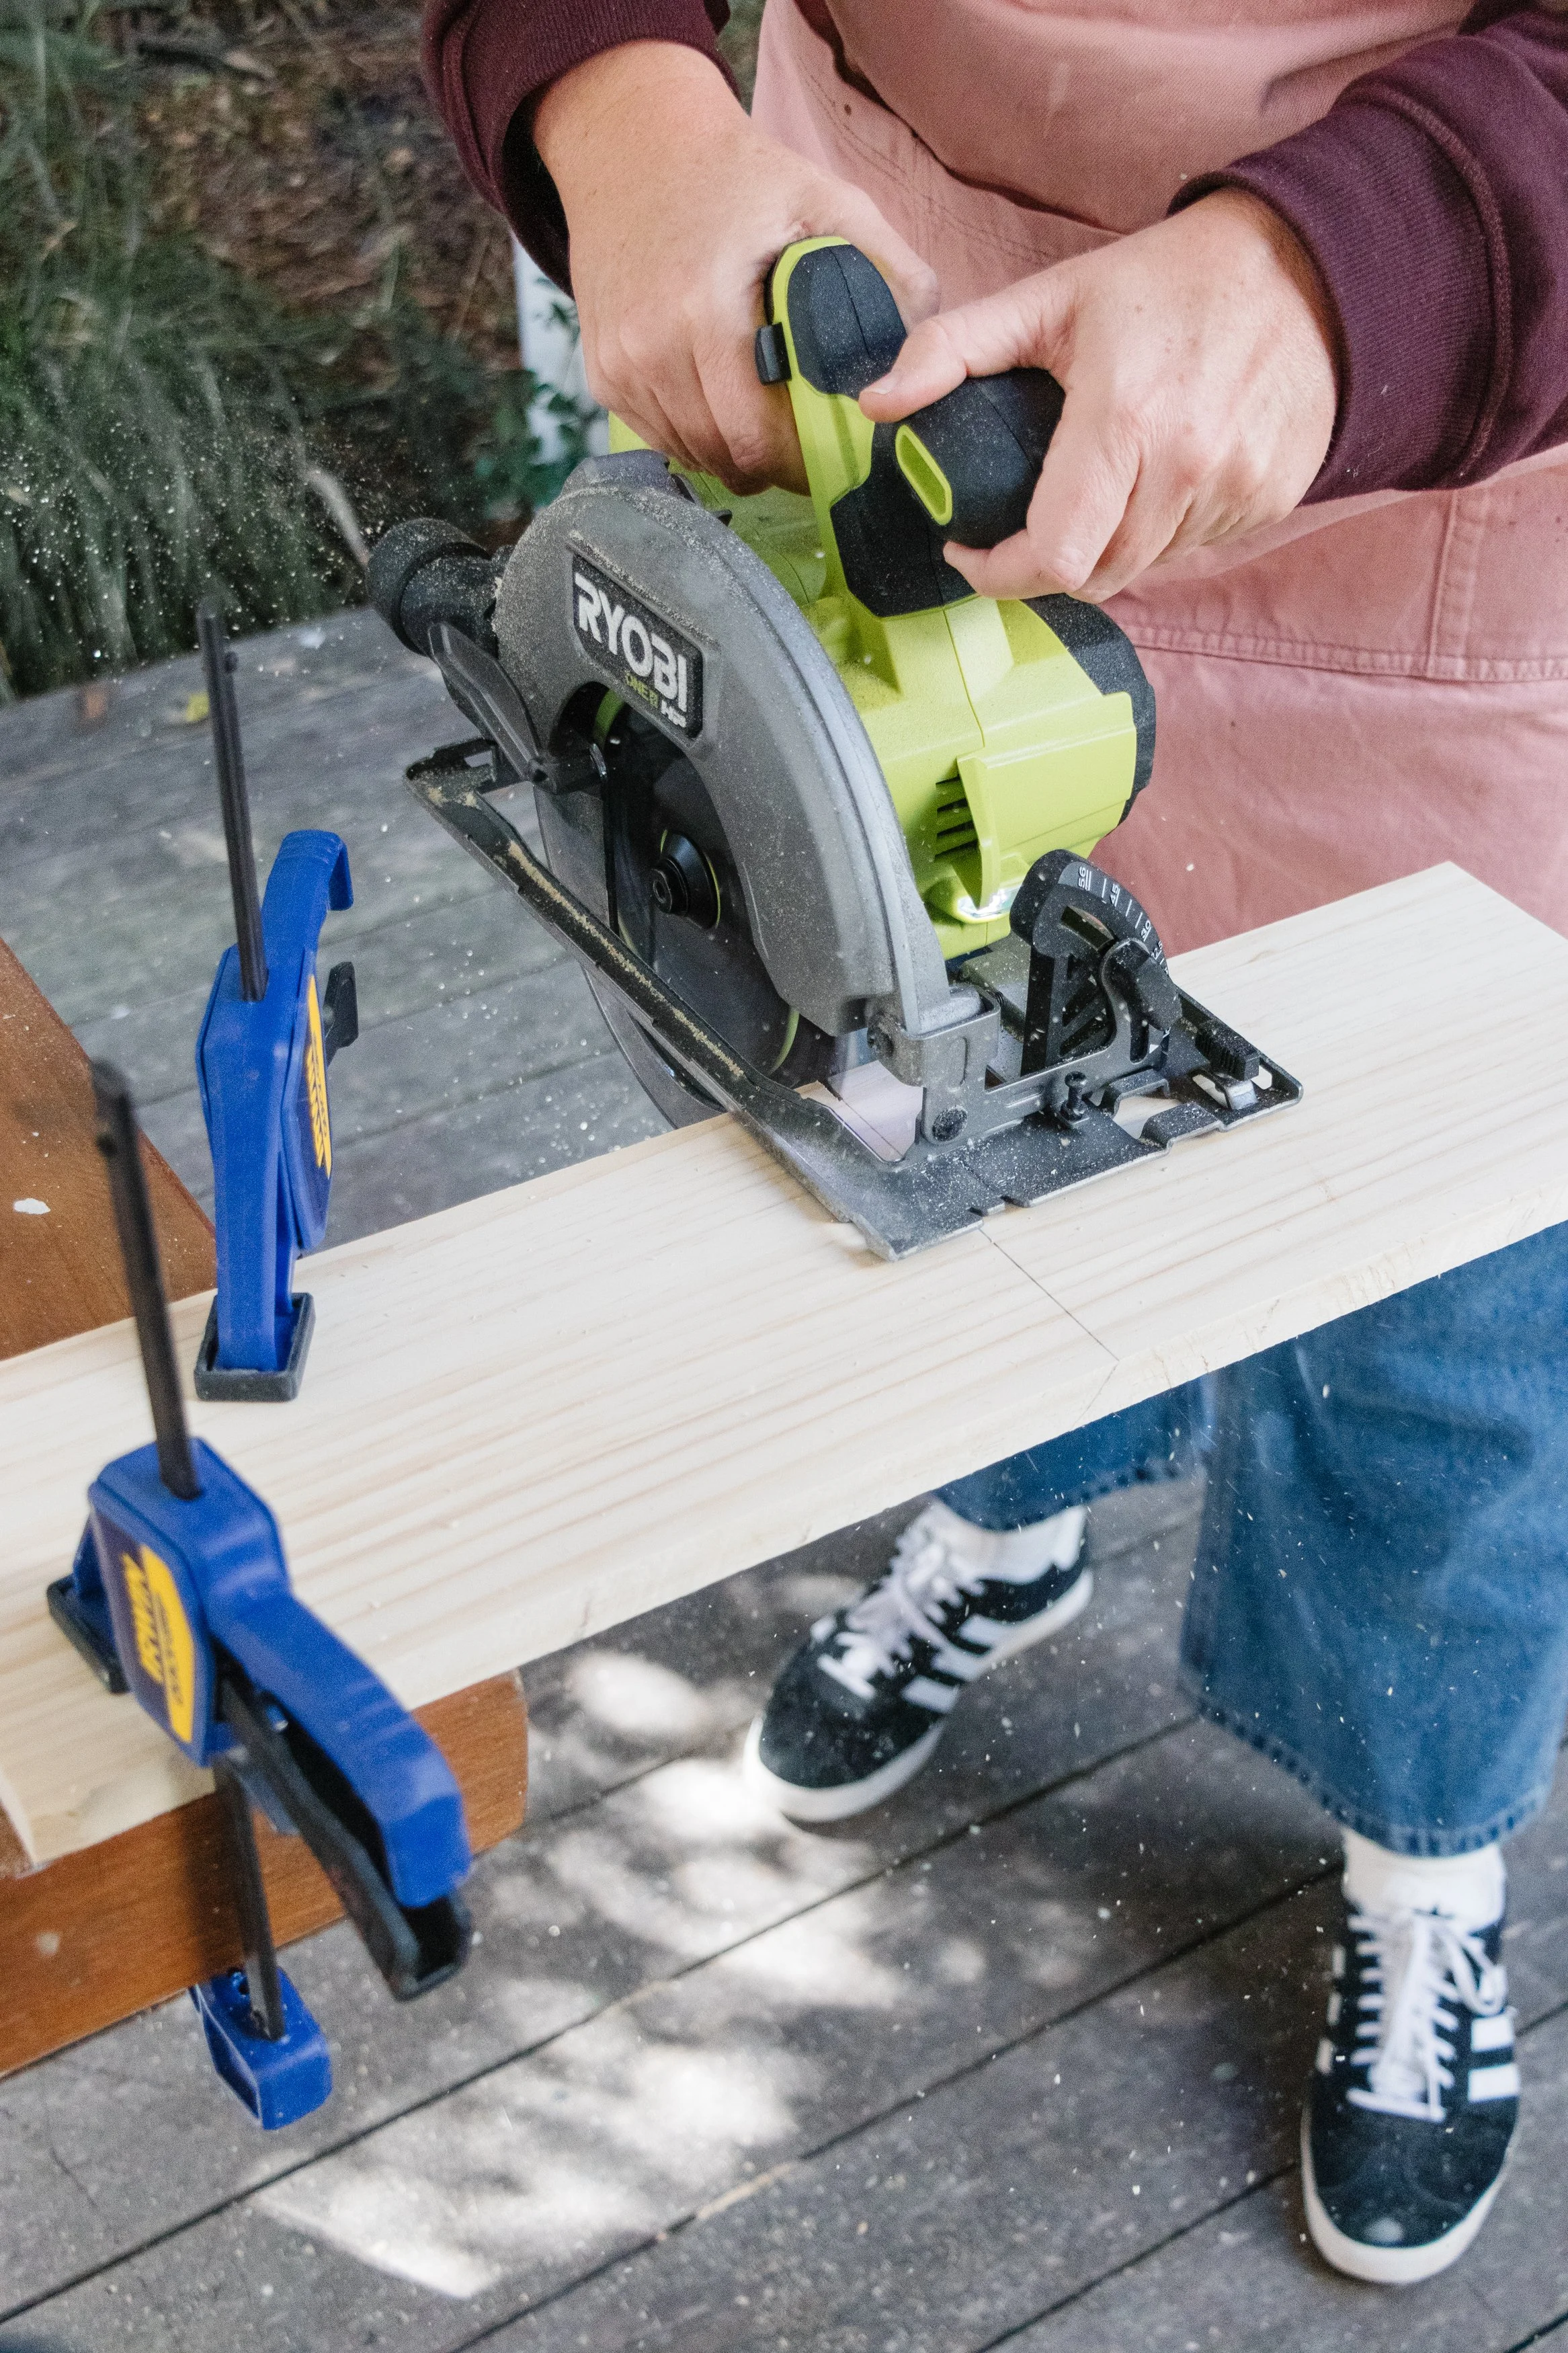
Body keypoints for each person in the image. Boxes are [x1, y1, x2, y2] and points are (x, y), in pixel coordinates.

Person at [422, 0, 1568, 2286]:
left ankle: (1422, 1848)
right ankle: (1016, 1514)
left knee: (1438, 1346)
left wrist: (1354, 262)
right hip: (893, 331)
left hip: (1452, 446)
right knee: (950, 1162)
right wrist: (616, 103)